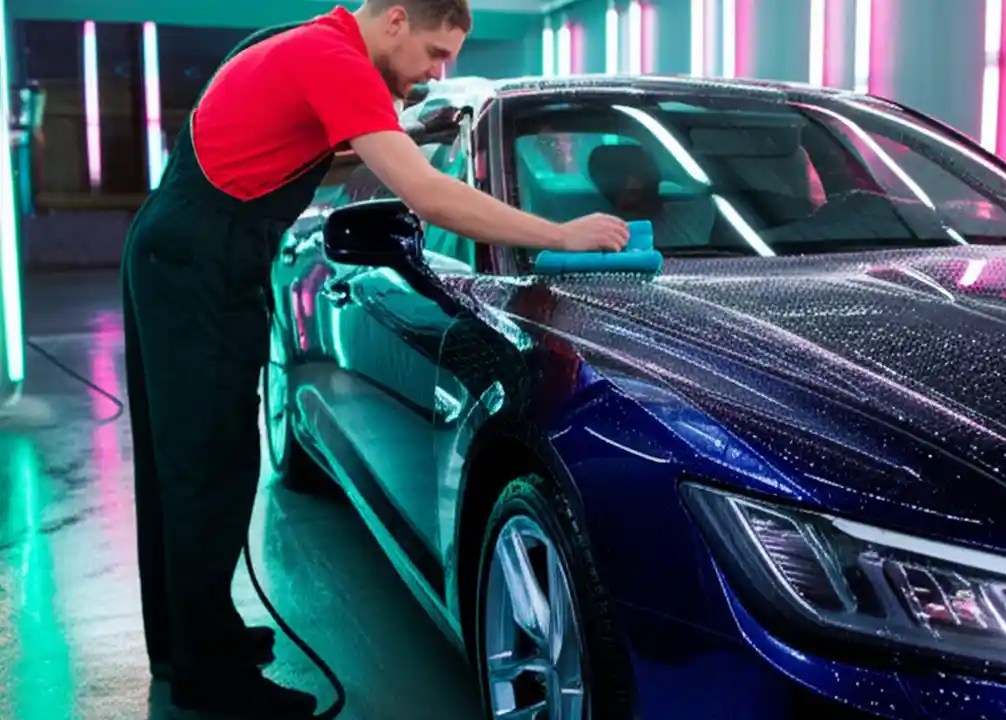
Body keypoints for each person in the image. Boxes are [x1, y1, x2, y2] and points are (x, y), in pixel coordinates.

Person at [121, 0, 628, 717]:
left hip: (185, 244)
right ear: (395, 20)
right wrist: (561, 234)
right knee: (205, 468)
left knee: (195, 463)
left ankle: (193, 643)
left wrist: (394, 138)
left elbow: (317, 157)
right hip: (200, 262)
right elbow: (422, 191)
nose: (437, 71)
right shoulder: (335, 61)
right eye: (435, 53)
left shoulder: (303, 42)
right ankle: (207, 679)